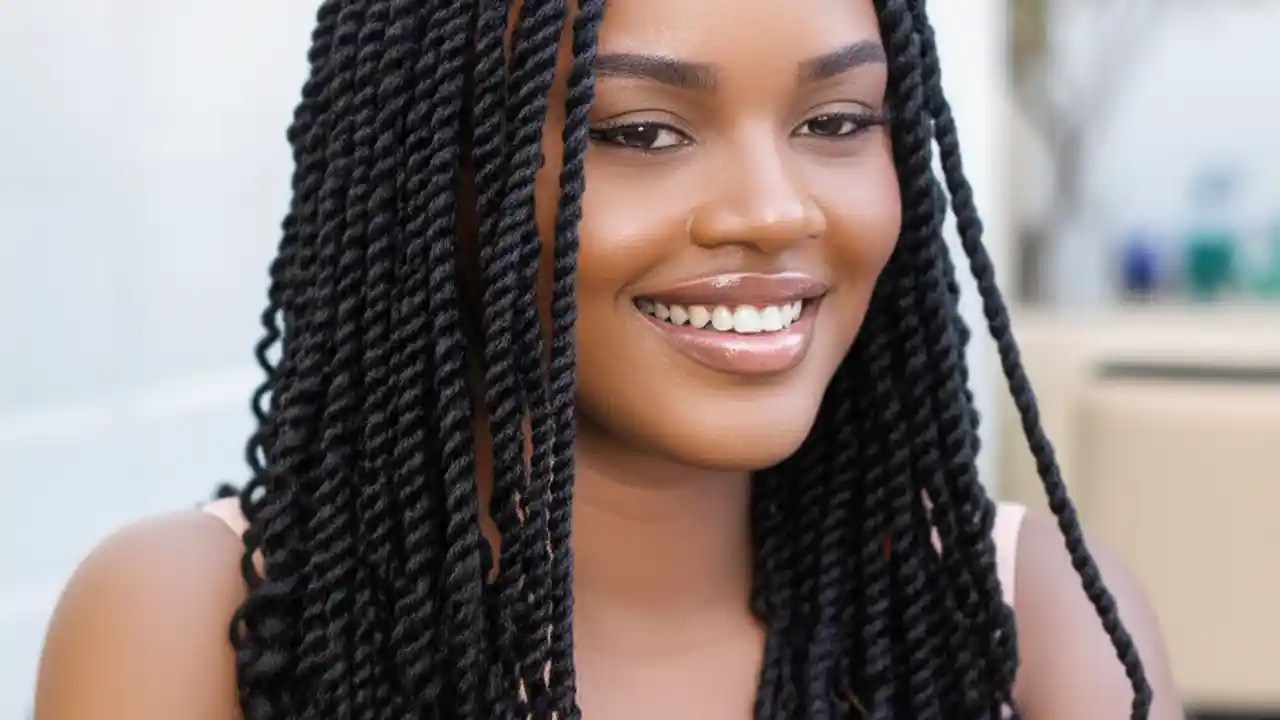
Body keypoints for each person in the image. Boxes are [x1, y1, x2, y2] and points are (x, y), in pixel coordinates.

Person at [33, 0, 1183, 717]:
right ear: (441, 175)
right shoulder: (190, 624)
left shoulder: (1027, 620)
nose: (772, 211)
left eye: (836, 121)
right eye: (639, 133)